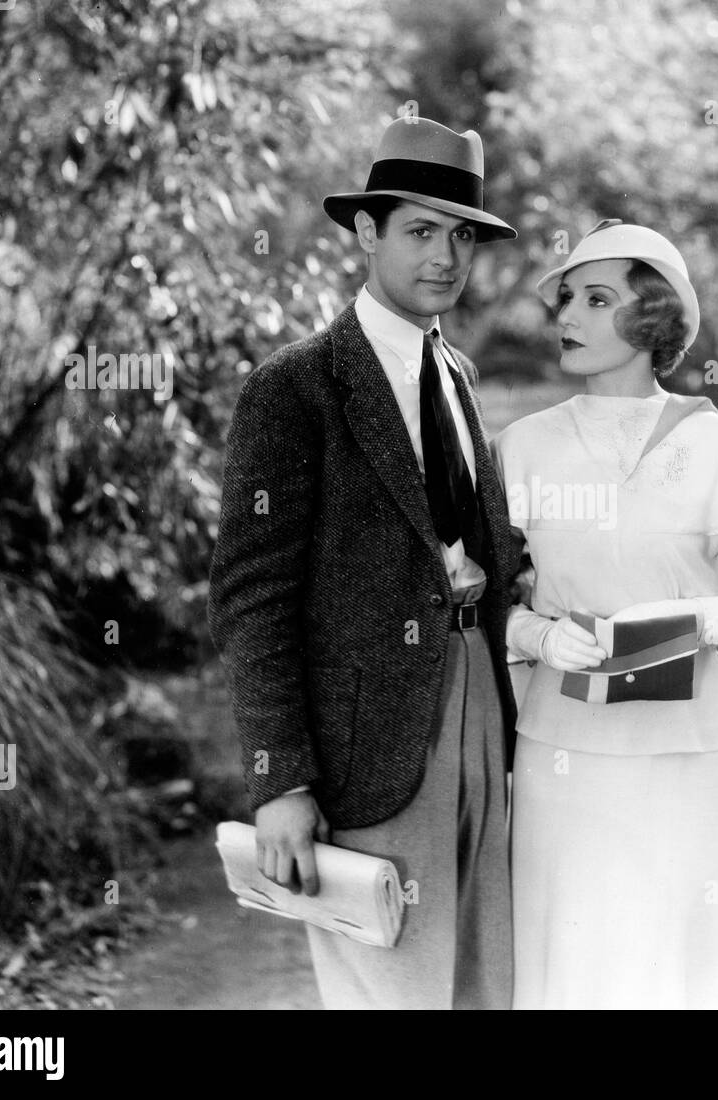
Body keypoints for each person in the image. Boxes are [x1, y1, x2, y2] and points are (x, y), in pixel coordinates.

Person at [207, 116, 522, 1009]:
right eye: (421, 230)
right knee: (394, 984)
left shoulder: (455, 376)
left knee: (481, 980)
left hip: (478, 708)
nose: (446, 256)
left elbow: (482, 550)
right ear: (367, 232)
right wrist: (281, 781)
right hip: (367, 739)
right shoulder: (295, 387)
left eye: (462, 234)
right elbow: (251, 598)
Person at [493, 220, 718, 1009]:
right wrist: (534, 635)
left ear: (653, 319)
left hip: (682, 740)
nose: (569, 317)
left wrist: (701, 621)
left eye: (598, 300)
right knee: (571, 938)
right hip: (564, 740)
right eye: (567, 300)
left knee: (668, 943)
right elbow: (474, 595)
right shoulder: (523, 447)